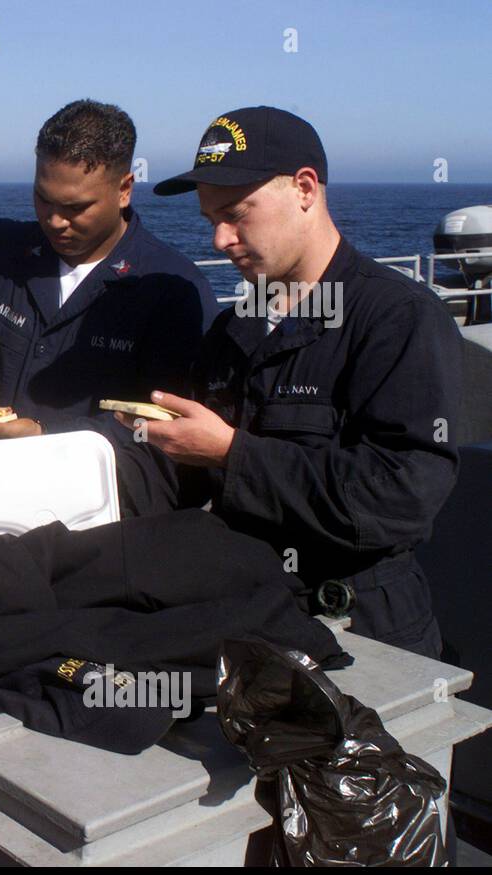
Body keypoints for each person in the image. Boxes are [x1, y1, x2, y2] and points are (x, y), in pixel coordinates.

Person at [120, 106, 462, 657]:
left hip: (362, 627)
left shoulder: (397, 319)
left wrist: (232, 453)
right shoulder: (235, 329)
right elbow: (184, 478)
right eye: (211, 221)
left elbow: (401, 496)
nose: (219, 240)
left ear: (305, 188)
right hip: (254, 614)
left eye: (236, 214)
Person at [0, 99, 218, 442]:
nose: (54, 221)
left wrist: (43, 435)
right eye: (42, 199)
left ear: (124, 189)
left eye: (75, 207)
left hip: (104, 500)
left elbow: (172, 445)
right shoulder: (2, 247)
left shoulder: (175, 292)